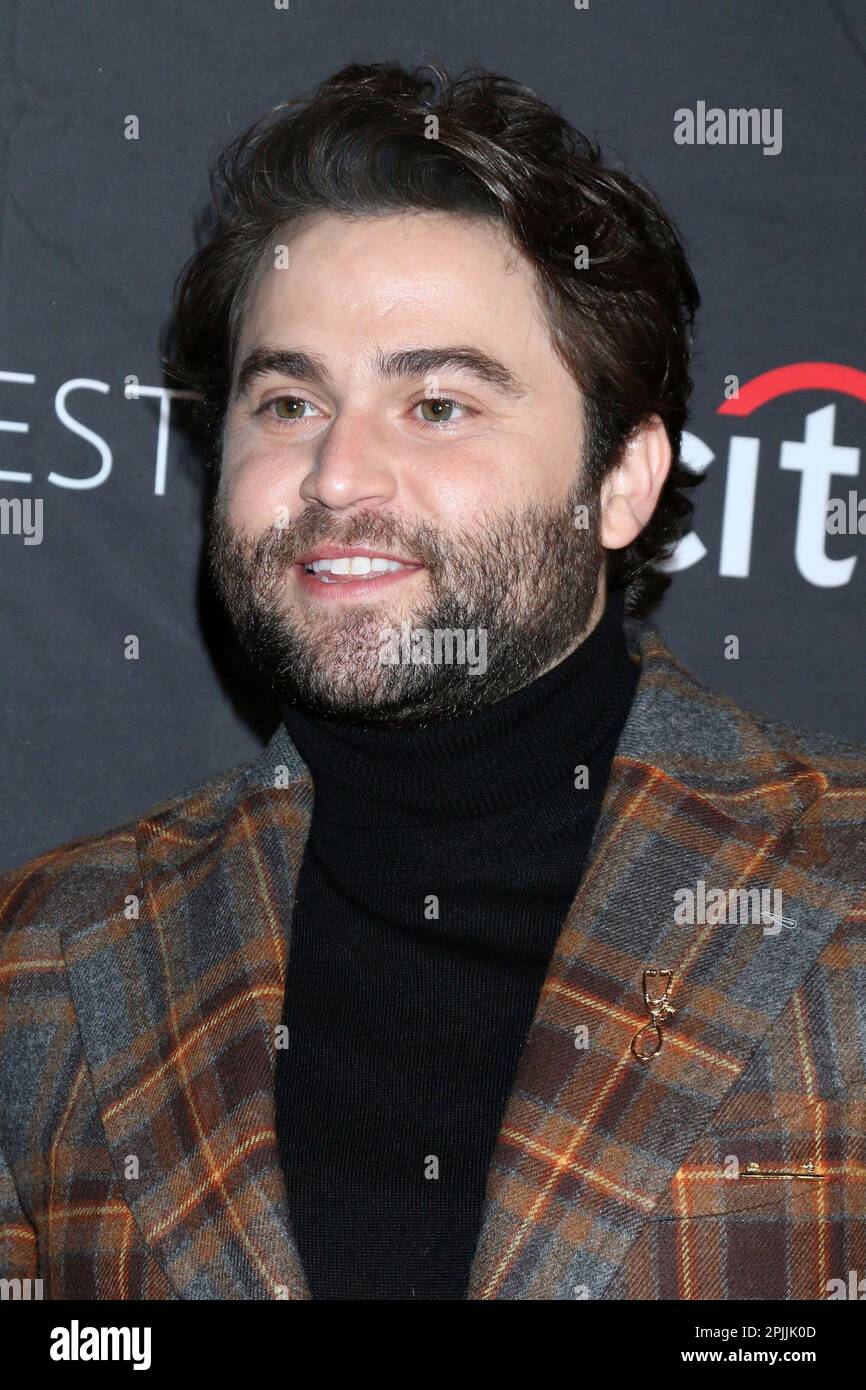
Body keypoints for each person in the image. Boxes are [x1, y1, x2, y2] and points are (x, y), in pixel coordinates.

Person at [1, 60, 864, 1302]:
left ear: (618, 481)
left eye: (439, 403)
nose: (339, 473)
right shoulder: (42, 956)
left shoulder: (833, 881)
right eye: (290, 399)